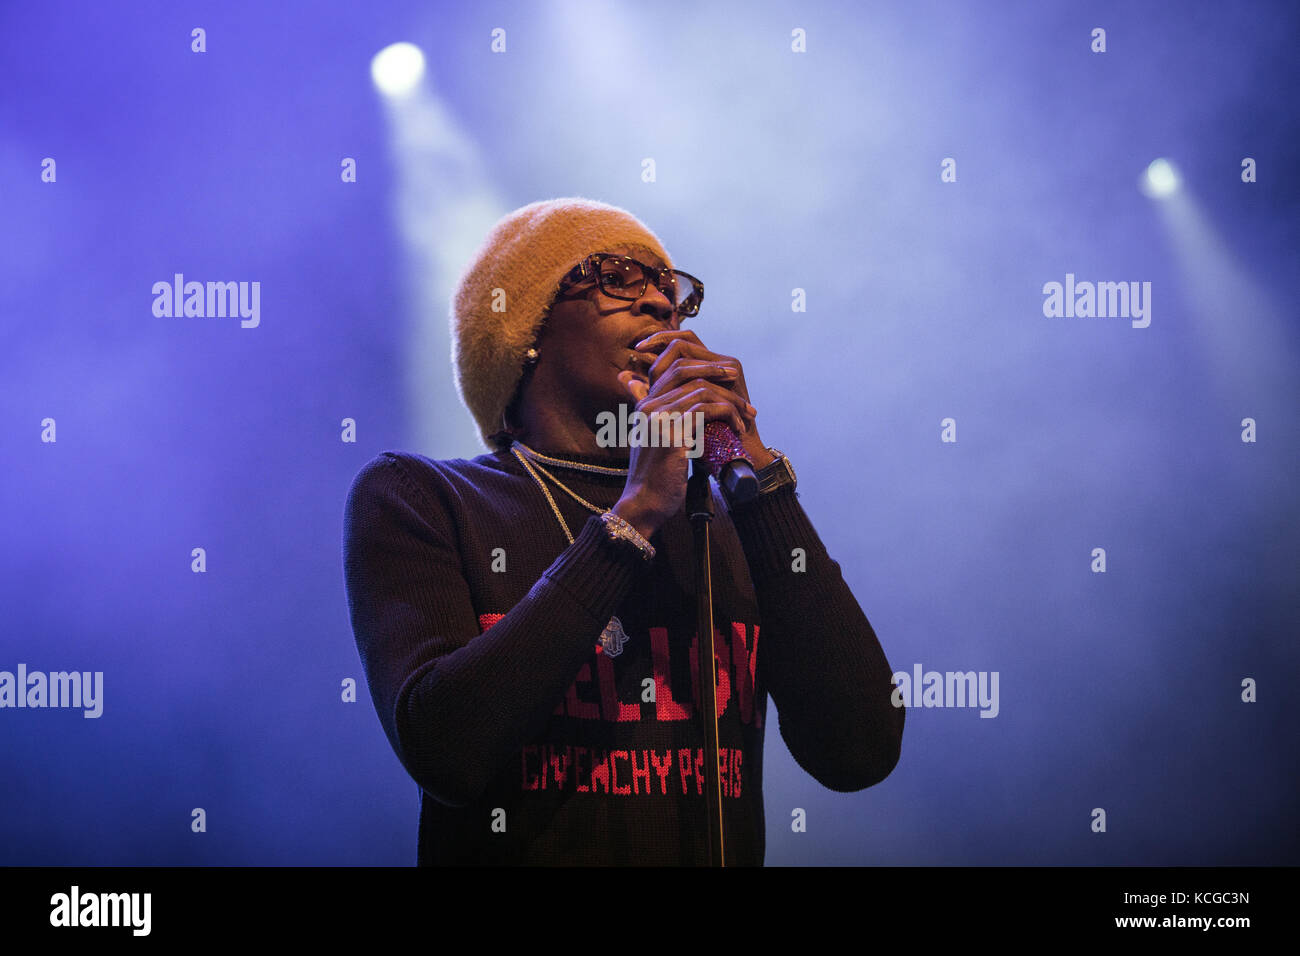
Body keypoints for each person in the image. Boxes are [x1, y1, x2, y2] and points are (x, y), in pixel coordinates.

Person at [342, 197, 904, 865]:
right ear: (526, 327)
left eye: (672, 290)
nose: (662, 304)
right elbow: (447, 752)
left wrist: (760, 485)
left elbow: (860, 752)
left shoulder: (721, 518)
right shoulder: (424, 497)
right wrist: (630, 520)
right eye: (619, 276)